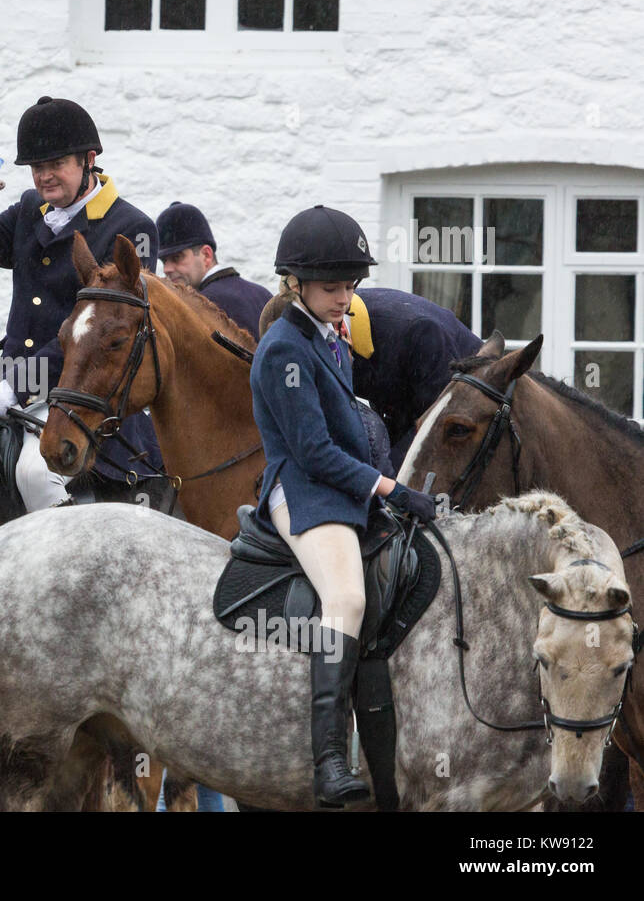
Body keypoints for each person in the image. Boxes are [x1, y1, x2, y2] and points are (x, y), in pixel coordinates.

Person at [249, 205, 437, 808]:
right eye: (332, 288)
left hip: (337, 487)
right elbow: (313, 451)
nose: (344, 298)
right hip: (300, 488)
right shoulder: (285, 351)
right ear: (295, 285)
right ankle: (330, 759)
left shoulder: (329, 341)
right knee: (348, 597)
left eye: (350, 286)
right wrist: (390, 489)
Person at [0, 95, 163, 509]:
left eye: (56, 164)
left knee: (36, 473)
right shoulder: (30, 210)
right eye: (37, 168)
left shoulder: (131, 228)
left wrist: (21, 384)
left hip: (79, 391)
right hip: (6, 380)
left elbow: (101, 339)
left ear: (88, 160)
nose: (44, 177)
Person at [259, 287, 481, 470]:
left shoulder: (416, 332)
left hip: (472, 417)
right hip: (409, 412)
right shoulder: (334, 336)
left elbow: (435, 425)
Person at [155, 201, 273, 341]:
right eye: (163, 261)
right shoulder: (262, 294)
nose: (166, 269)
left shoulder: (200, 306)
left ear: (206, 255)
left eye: (176, 257)